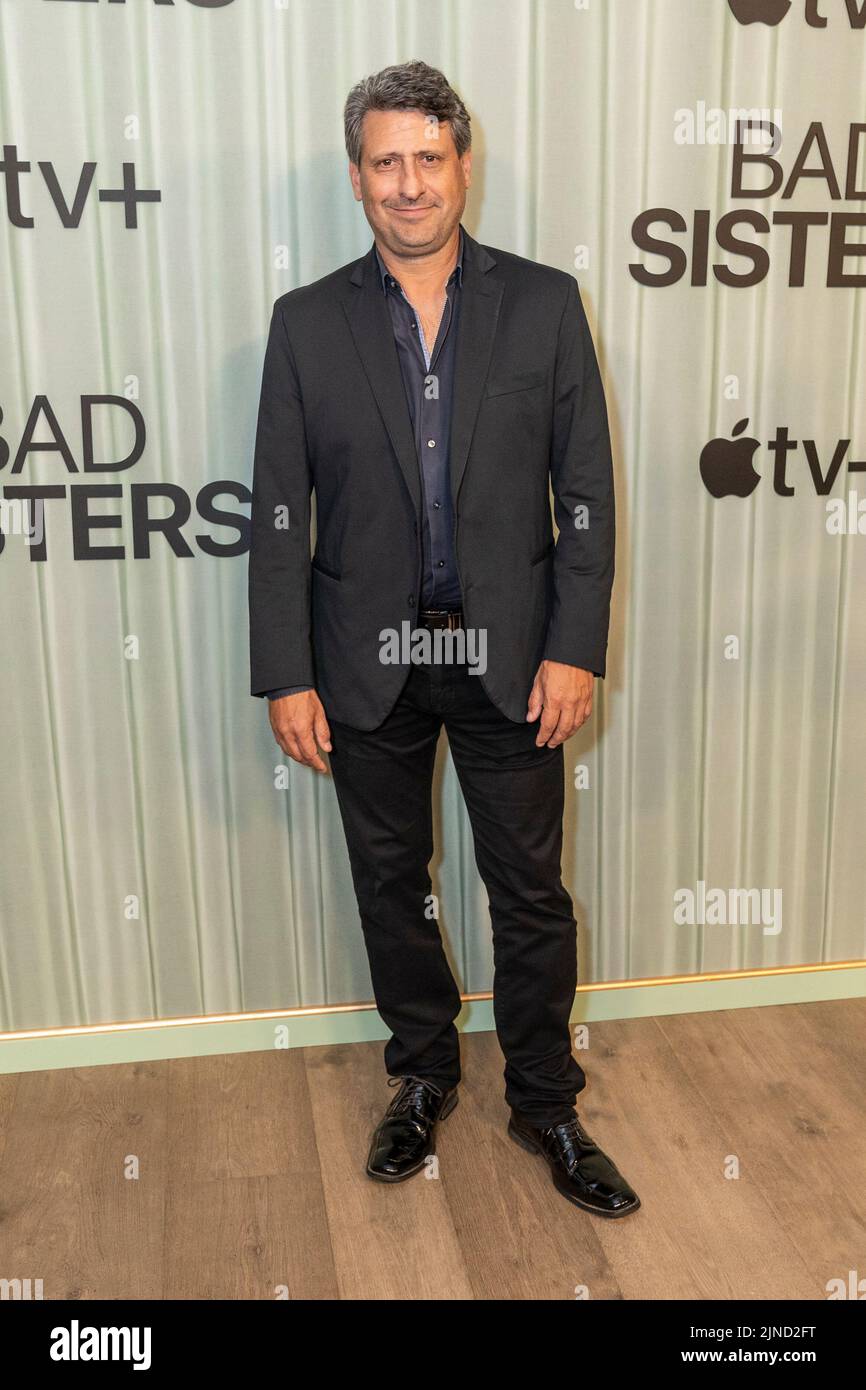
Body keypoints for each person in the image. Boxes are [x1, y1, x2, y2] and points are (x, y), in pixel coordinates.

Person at [248, 59, 639, 1218]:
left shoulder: (544, 303)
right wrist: (285, 671)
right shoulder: (306, 322)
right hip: (362, 661)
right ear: (358, 176)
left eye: (428, 157)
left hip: (511, 658)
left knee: (526, 890)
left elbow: (585, 497)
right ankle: (419, 1078)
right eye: (385, 162)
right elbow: (278, 511)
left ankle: (545, 1100)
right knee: (390, 883)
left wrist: (573, 648)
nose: (408, 184)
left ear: (462, 164)